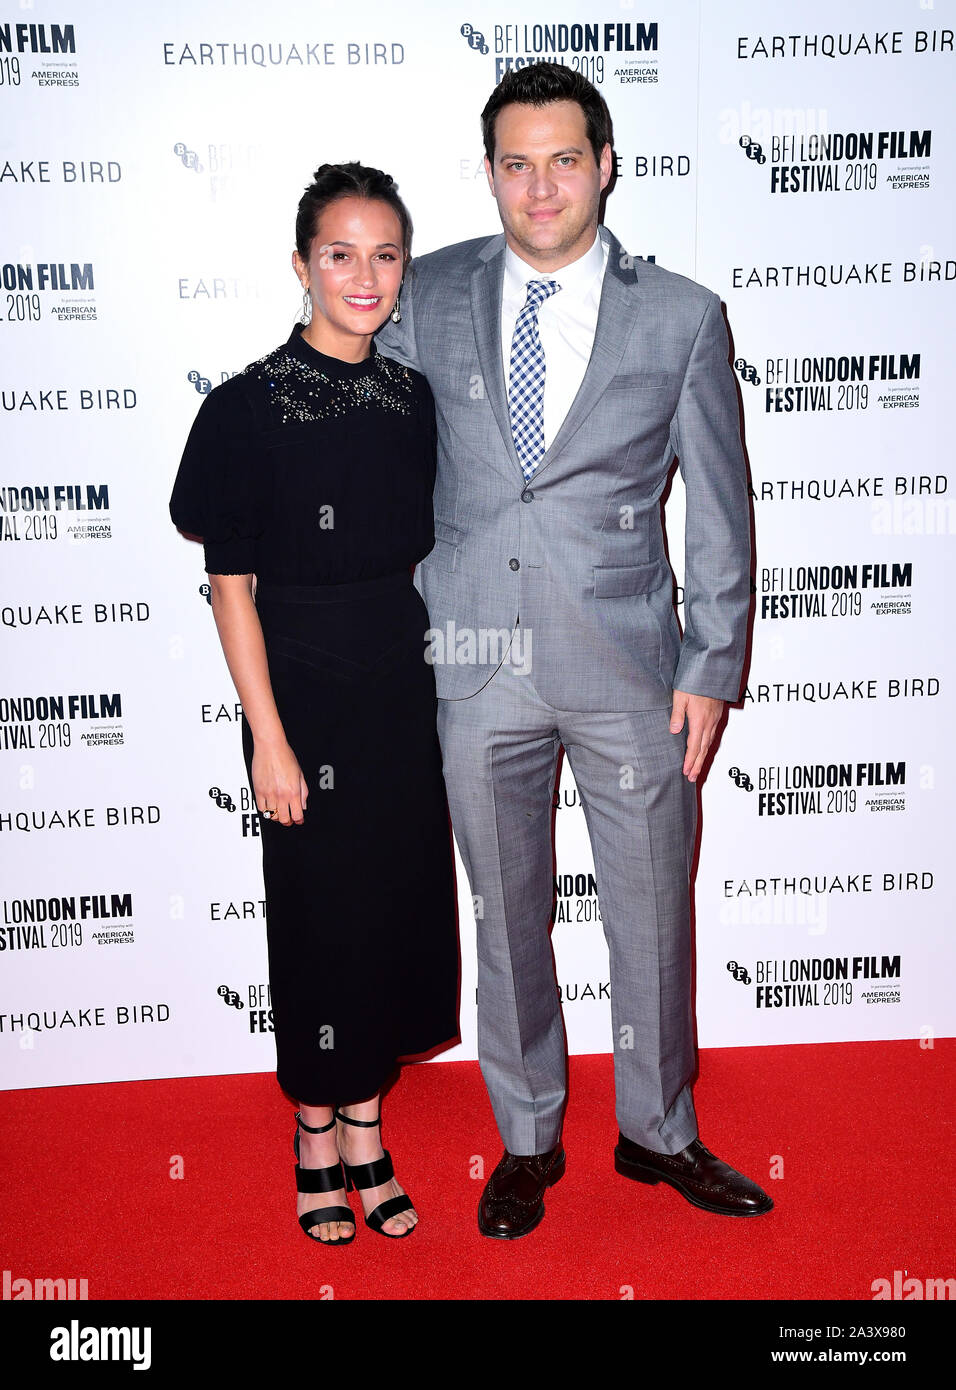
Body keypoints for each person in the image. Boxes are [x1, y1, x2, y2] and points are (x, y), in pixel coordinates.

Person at [377, 63, 772, 1236]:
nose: (538, 186)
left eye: (561, 159)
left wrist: (711, 659)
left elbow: (719, 499)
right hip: (473, 653)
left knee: (649, 908)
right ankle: (526, 1134)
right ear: (489, 171)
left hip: (629, 661)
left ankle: (657, 1130)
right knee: (506, 910)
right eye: (514, 161)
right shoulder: (427, 291)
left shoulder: (683, 315)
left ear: (604, 165)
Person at [169, 163, 459, 1245]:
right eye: (340, 253)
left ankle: (369, 1124)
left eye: (385, 254)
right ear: (301, 265)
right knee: (314, 915)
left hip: (397, 685)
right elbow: (230, 586)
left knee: (387, 906)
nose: (364, 276)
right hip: (298, 694)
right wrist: (269, 741)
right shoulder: (245, 408)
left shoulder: (409, 398)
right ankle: (313, 1133)